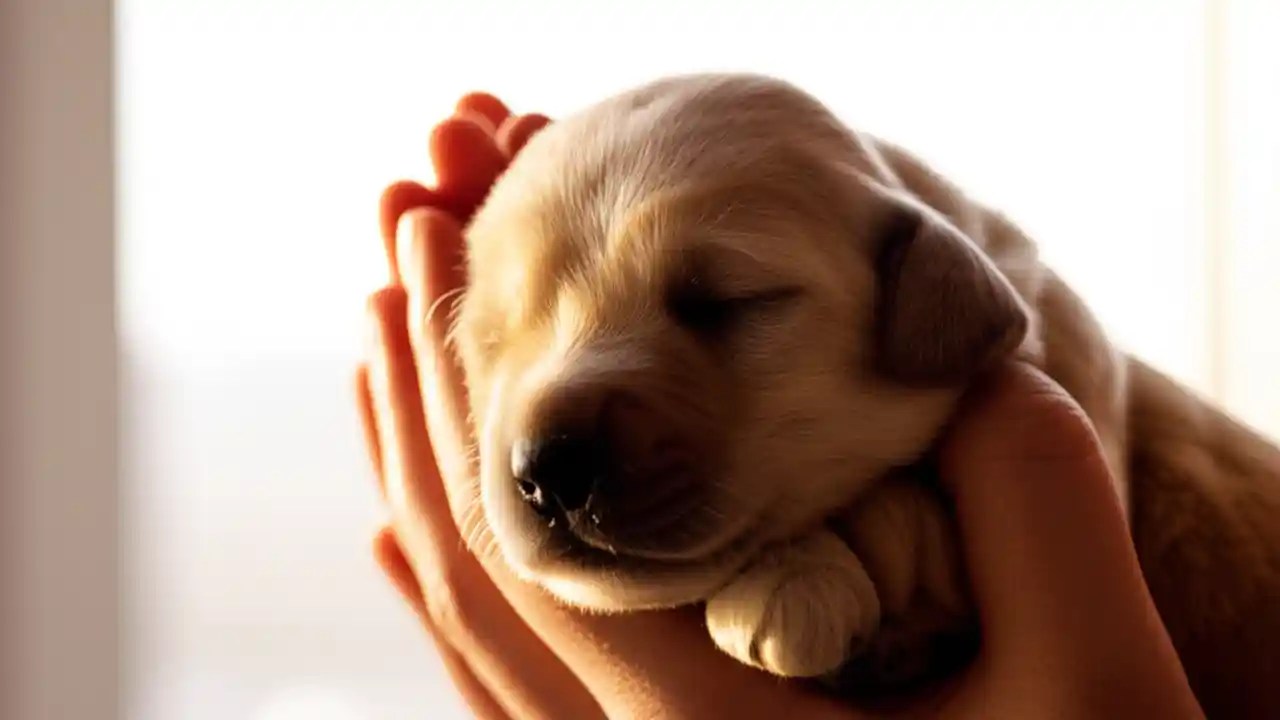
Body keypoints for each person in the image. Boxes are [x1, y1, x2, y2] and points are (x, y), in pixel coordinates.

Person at [353, 93, 1204, 720]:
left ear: (932, 297)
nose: (546, 439)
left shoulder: (1045, 381)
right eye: (498, 341)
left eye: (721, 304)